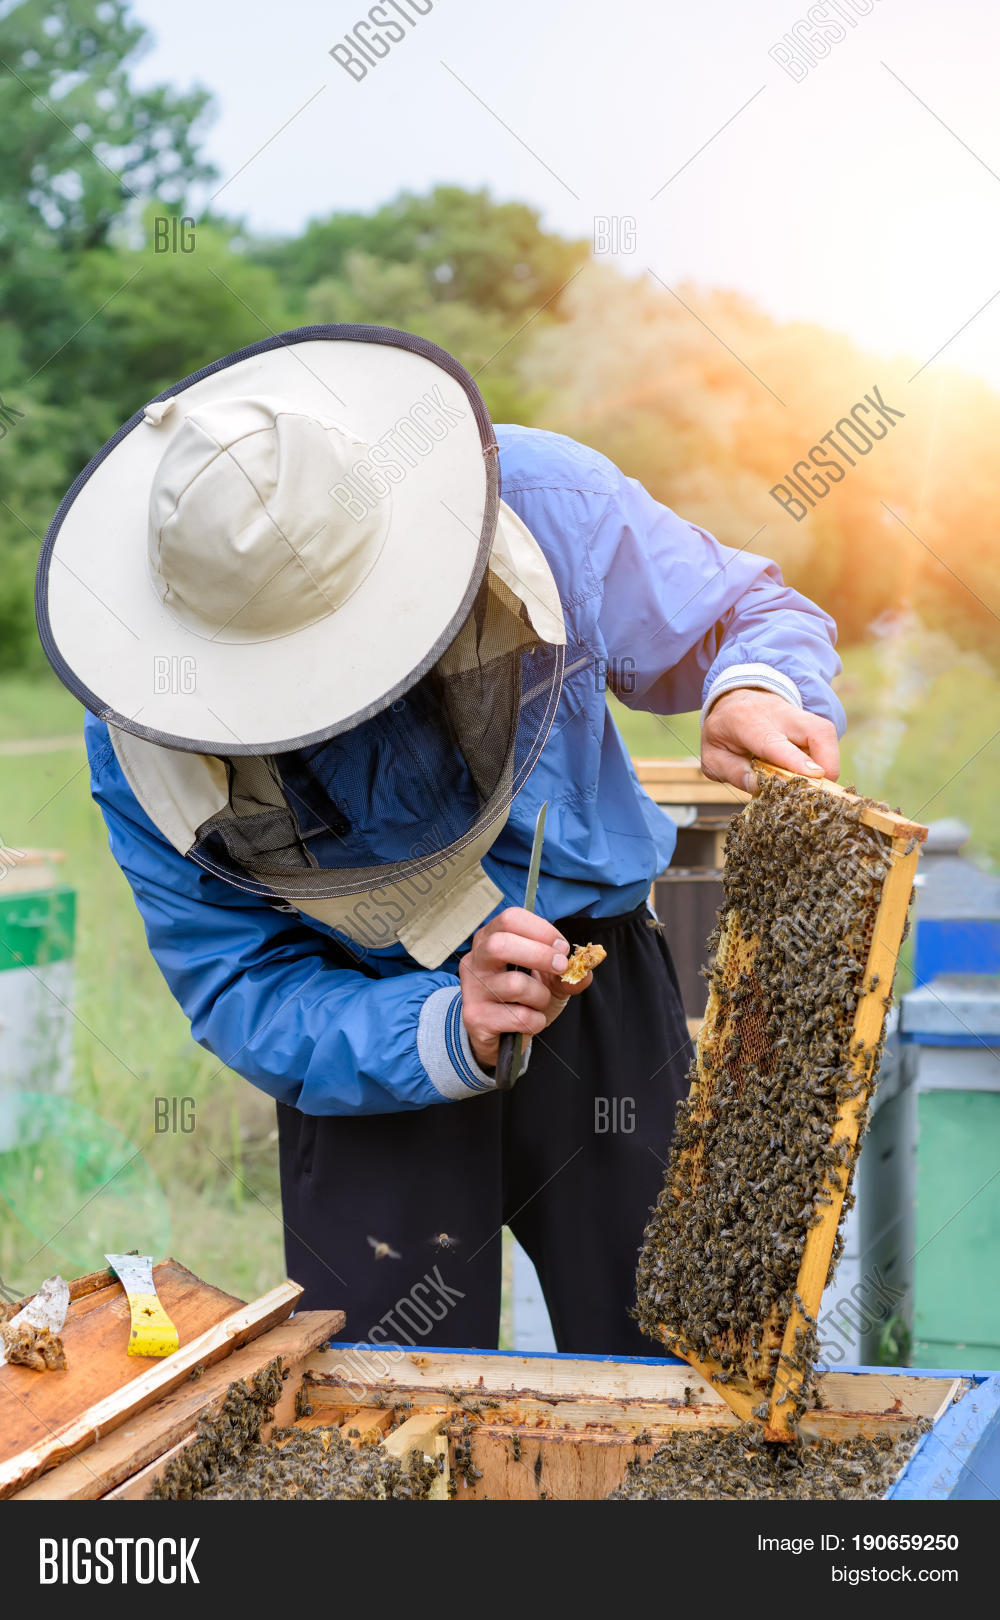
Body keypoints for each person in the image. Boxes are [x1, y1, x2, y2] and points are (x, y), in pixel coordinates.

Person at [37, 326, 842, 1357]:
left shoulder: (543, 498)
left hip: (602, 1003)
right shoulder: (138, 725)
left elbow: (744, 611)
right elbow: (237, 982)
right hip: (366, 1040)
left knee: (682, 1375)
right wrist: (440, 1030)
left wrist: (749, 686)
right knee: (388, 1428)